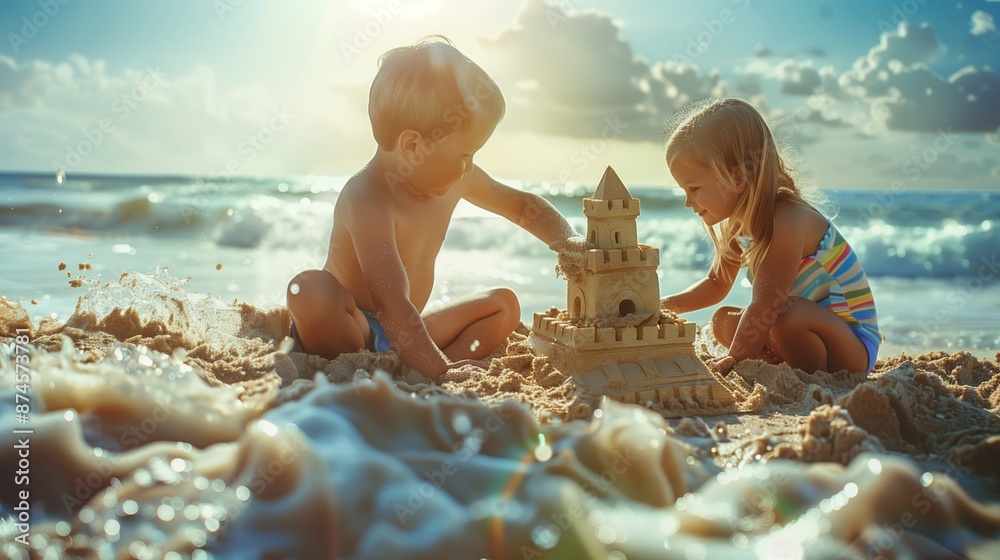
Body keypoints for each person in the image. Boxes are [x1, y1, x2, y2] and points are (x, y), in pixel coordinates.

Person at [286, 37, 577, 379]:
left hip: (411, 332)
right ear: (413, 146)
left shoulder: (457, 179)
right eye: (465, 154)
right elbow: (390, 301)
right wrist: (438, 370)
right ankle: (424, 366)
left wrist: (570, 244)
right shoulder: (367, 198)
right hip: (354, 327)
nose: (469, 166)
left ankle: (429, 364)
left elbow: (520, 206)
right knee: (309, 290)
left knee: (504, 304)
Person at [660, 98, 881, 376]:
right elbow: (716, 284)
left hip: (852, 346)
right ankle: (784, 363)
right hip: (800, 326)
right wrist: (659, 308)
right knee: (723, 321)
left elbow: (767, 303)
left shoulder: (787, 220)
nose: (688, 202)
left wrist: (734, 358)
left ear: (736, 178)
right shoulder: (739, 227)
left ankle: (813, 375)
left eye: (693, 188)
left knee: (785, 315)